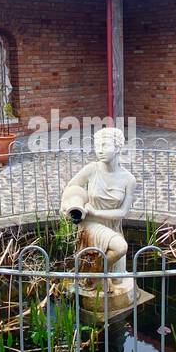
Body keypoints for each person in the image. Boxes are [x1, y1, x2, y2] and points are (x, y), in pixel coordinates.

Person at [60, 126, 136, 295]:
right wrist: (72, 203)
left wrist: (95, 211)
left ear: (117, 148)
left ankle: (95, 274)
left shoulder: (129, 179)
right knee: (121, 247)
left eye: (105, 145)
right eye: (97, 146)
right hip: (91, 224)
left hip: (112, 226)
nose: (99, 150)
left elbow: (123, 212)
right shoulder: (92, 169)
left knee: (119, 278)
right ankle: (95, 276)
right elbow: (71, 187)